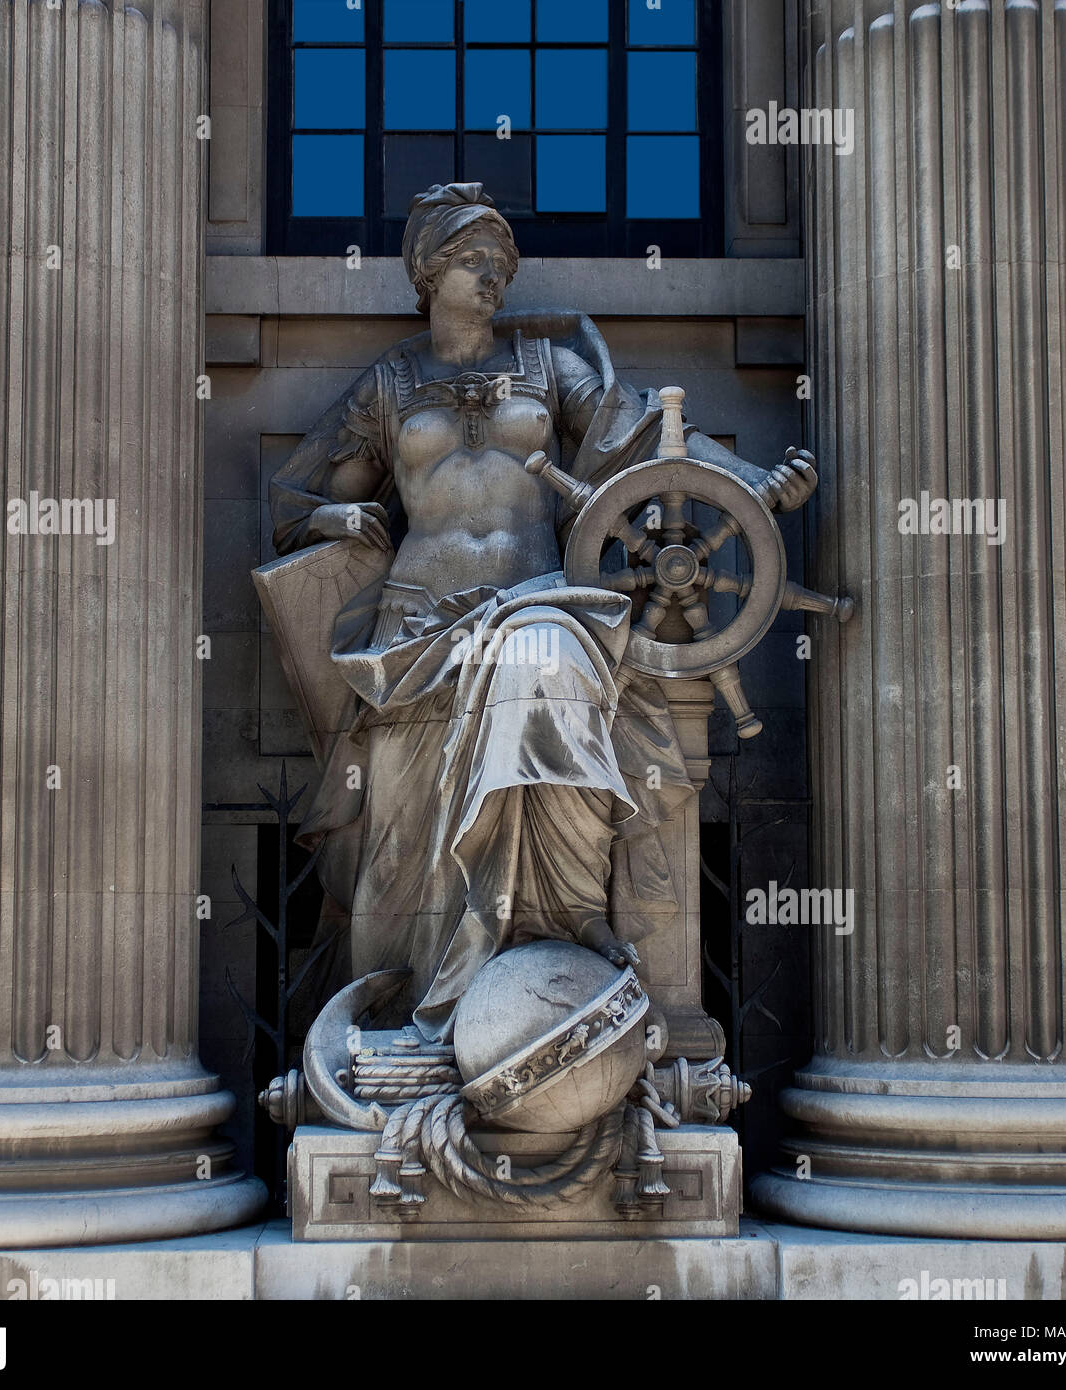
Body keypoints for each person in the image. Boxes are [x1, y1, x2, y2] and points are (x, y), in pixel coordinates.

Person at [269, 184, 815, 1041]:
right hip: (416, 629)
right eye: (473, 261)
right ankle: (408, 1013)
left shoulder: (548, 369)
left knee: (542, 703)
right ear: (426, 270)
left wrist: (753, 488)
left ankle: (549, 967)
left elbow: (648, 445)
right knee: (401, 840)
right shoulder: (391, 383)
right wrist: (336, 515)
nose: (494, 277)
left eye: (503, 264)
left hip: (535, 605)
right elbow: (300, 498)